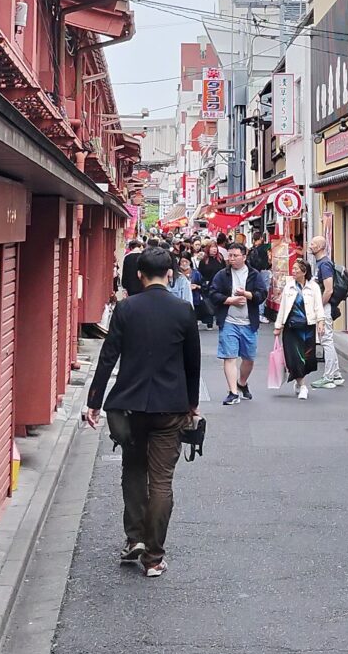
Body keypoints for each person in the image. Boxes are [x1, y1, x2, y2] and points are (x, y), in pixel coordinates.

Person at [84, 246, 201, 577]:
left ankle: (134, 538)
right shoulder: (182, 310)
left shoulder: (126, 308)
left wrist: (94, 401)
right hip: (170, 408)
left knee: (133, 471)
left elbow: (108, 357)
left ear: (139, 275)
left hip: (130, 407)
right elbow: (193, 362)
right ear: (170, 274)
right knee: (161, 480)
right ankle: (153, 556)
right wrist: (191, 402)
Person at [210, 241, 268, 404]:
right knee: (229, 357)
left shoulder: (254, 274)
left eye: (235, 256)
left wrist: (247, 295)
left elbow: (262, 294)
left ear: (244, 256)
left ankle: (241, 383)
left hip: (249, 323)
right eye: (230, 256)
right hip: (228, 321)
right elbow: (213, 294)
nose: (232, 259)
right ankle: (233, 392)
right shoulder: (222, 275)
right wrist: (230, 300)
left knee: (248, 358)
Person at [274, 256, 323, 400]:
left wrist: (320, 322)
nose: (293, 271)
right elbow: (283, 307)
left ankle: (298, 379)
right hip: (291, 327)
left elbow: (318, 306)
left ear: (304, 271)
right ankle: (302, 386)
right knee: (294, 358)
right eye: (293, 268)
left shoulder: (313, 287)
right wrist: (278, 326)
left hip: (307, 327)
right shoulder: (289, 286)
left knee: (307, 359)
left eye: (296, 269)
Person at [308, 235, 345, 388]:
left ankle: (328, 376)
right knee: (326, 340)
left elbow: (328, 290)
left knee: (326, 340)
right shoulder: (320, 263)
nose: (310, 245)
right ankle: (336, 375)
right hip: (324, 307)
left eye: (313, 244)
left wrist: (319, 307)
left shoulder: (324, 265)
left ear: (321, 247)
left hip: (325, 307)